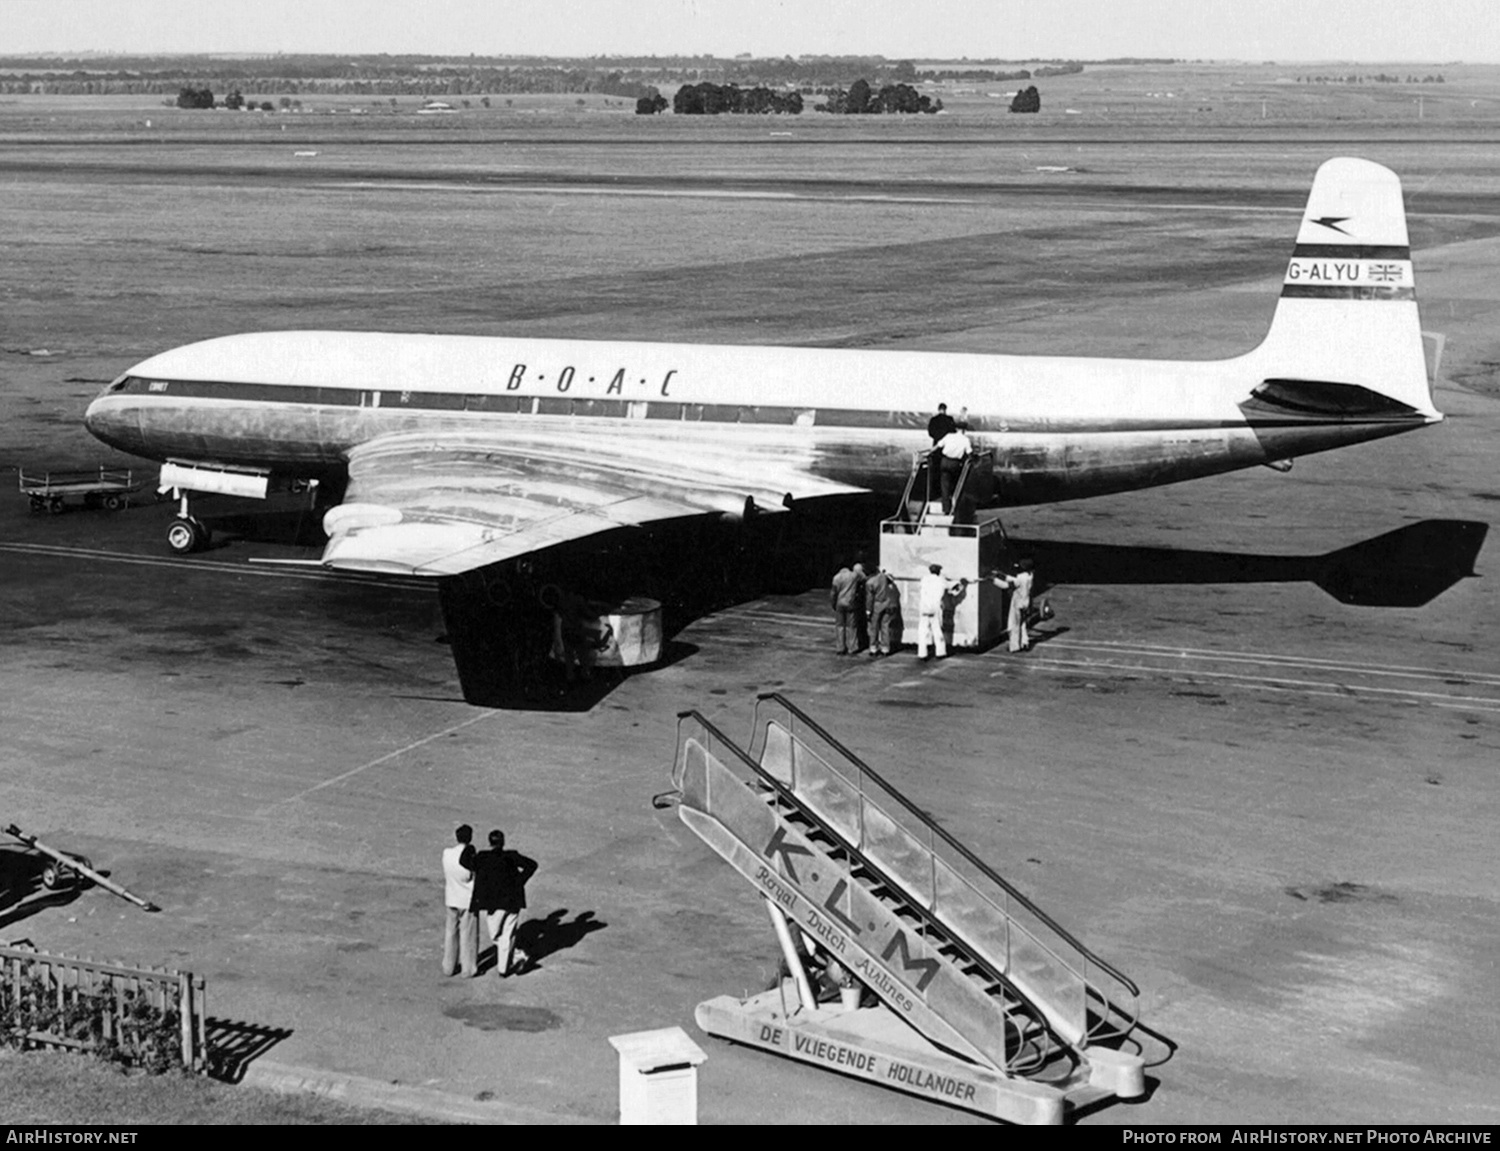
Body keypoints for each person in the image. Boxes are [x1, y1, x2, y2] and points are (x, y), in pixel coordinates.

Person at [470, 829, 539, 977]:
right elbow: (532, 865)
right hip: (513, 901)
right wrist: (519, 882)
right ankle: (515, 960)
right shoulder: (511, 856)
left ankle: (507, 966)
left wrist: (467, 846)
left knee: (495, 935)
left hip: (494, 904)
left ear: (490, 842)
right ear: (503, 842)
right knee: (507, 935)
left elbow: (465, 862)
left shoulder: (483, 857)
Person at [441, 824, 478, 978]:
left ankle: (448, 966)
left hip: (451, 897)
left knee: (450, 933)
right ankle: (468, 968)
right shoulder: (470, 857)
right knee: (467, 935)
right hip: (467, 900)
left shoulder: (447, 853)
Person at [915, 563, 965, 660]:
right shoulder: (941, 580)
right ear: (938, 571)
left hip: (924, 607)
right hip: (935, 607)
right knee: (937, 630)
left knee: (922, 631)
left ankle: (922, 653)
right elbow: (954, 586)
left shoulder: (924, 579)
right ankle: (940, 652)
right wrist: (962, 582)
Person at [994, 559, 1036, 653]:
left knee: (1014, 624)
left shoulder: (1020, 577)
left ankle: (1014, 646)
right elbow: (1014, 580)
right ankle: (1025, 642)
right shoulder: (1030, 576)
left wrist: (994, 580)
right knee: (1023, 623)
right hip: (1026, 602)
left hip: (1017, 602)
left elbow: (1007, 585)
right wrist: (1002, 574)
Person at [829, 561, 866, 655]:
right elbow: (863, 577)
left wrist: (833, 604)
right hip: (851, 603)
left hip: (840, 603)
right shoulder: (853, 575)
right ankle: (852, 648)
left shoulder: (836, 578)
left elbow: (833, 593)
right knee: (852, 626)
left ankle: (840, 648)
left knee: (840, 626)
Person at [865, 565, 902, 657]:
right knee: (885, 626)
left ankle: (873, 648)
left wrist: (868, 610)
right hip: (888, 604)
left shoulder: (870, 582)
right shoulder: (886, 578)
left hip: (877, 606)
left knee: (874, 627)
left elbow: (869, 598)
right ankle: (885, 648)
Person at [936, 425, 972, 515]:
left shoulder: (949, 436)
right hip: (955, 463)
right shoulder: (965, 440)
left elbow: (938, 445)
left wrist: (929, 452)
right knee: (957, 484)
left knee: (945, 485)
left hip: (945, 461)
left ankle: (946, 508)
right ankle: (955, 505)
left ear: (956, 429)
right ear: (964, 430)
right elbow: (969, 452)